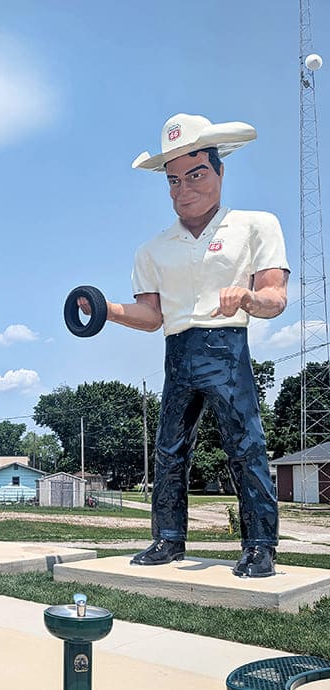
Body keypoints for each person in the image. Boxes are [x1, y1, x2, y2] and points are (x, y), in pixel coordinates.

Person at [80, 113, 288, 578]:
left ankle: (259, 545)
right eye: (173, 180)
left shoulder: (256, 225)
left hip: (227, 347)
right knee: (170, 449)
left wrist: (250, 297)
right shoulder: (152, 249)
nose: (183, 189)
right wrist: (105, 309)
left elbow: (276, 297)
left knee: (245, 444)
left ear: (219, 171)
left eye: (195, 175)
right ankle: (168, 539)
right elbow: (153, 317)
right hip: (178, 351)